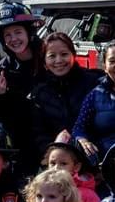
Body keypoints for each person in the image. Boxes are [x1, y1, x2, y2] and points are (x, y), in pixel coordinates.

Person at [0, 0, 45, 178]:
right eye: (7, 34)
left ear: (29, 31)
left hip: (53, 143)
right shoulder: (1, 72)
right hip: (21, 150)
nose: (13, 39)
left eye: (18, 32)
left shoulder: (49, 58)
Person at [28, 32, 105, 161]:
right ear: (45, 62)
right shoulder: (39, 94)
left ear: (73, 55)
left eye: (64, 54)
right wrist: (51, 155)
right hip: (58, 161)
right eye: (52, 56)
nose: (58, 60)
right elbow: (38, 133)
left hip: (93, 156)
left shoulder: (94, 82)